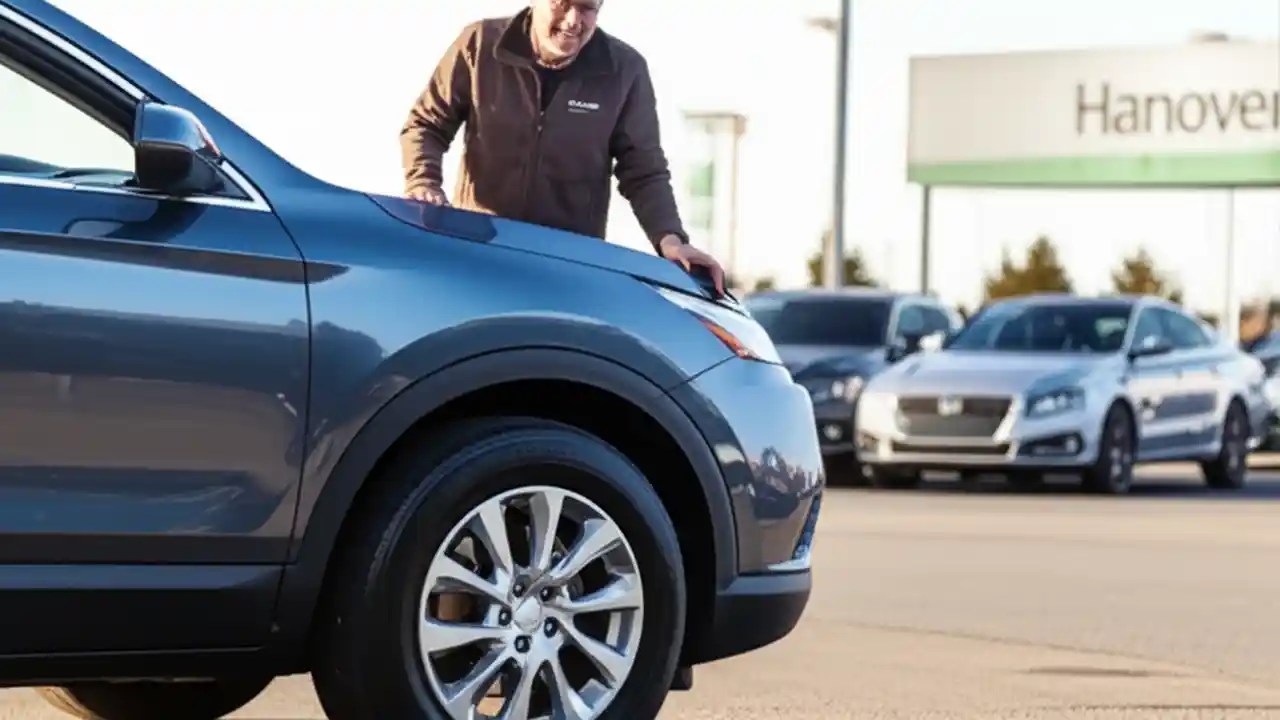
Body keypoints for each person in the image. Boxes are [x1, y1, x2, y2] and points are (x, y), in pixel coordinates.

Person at [400, 0, 726, 294]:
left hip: (568, 267)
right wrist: (423, 182)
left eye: (587, 8)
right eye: (562, 3)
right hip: (481, 253)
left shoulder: (625, 70)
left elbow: (643, 169)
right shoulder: (479, 44)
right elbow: (426, 124)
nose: (573, 20)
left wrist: (670, 239)